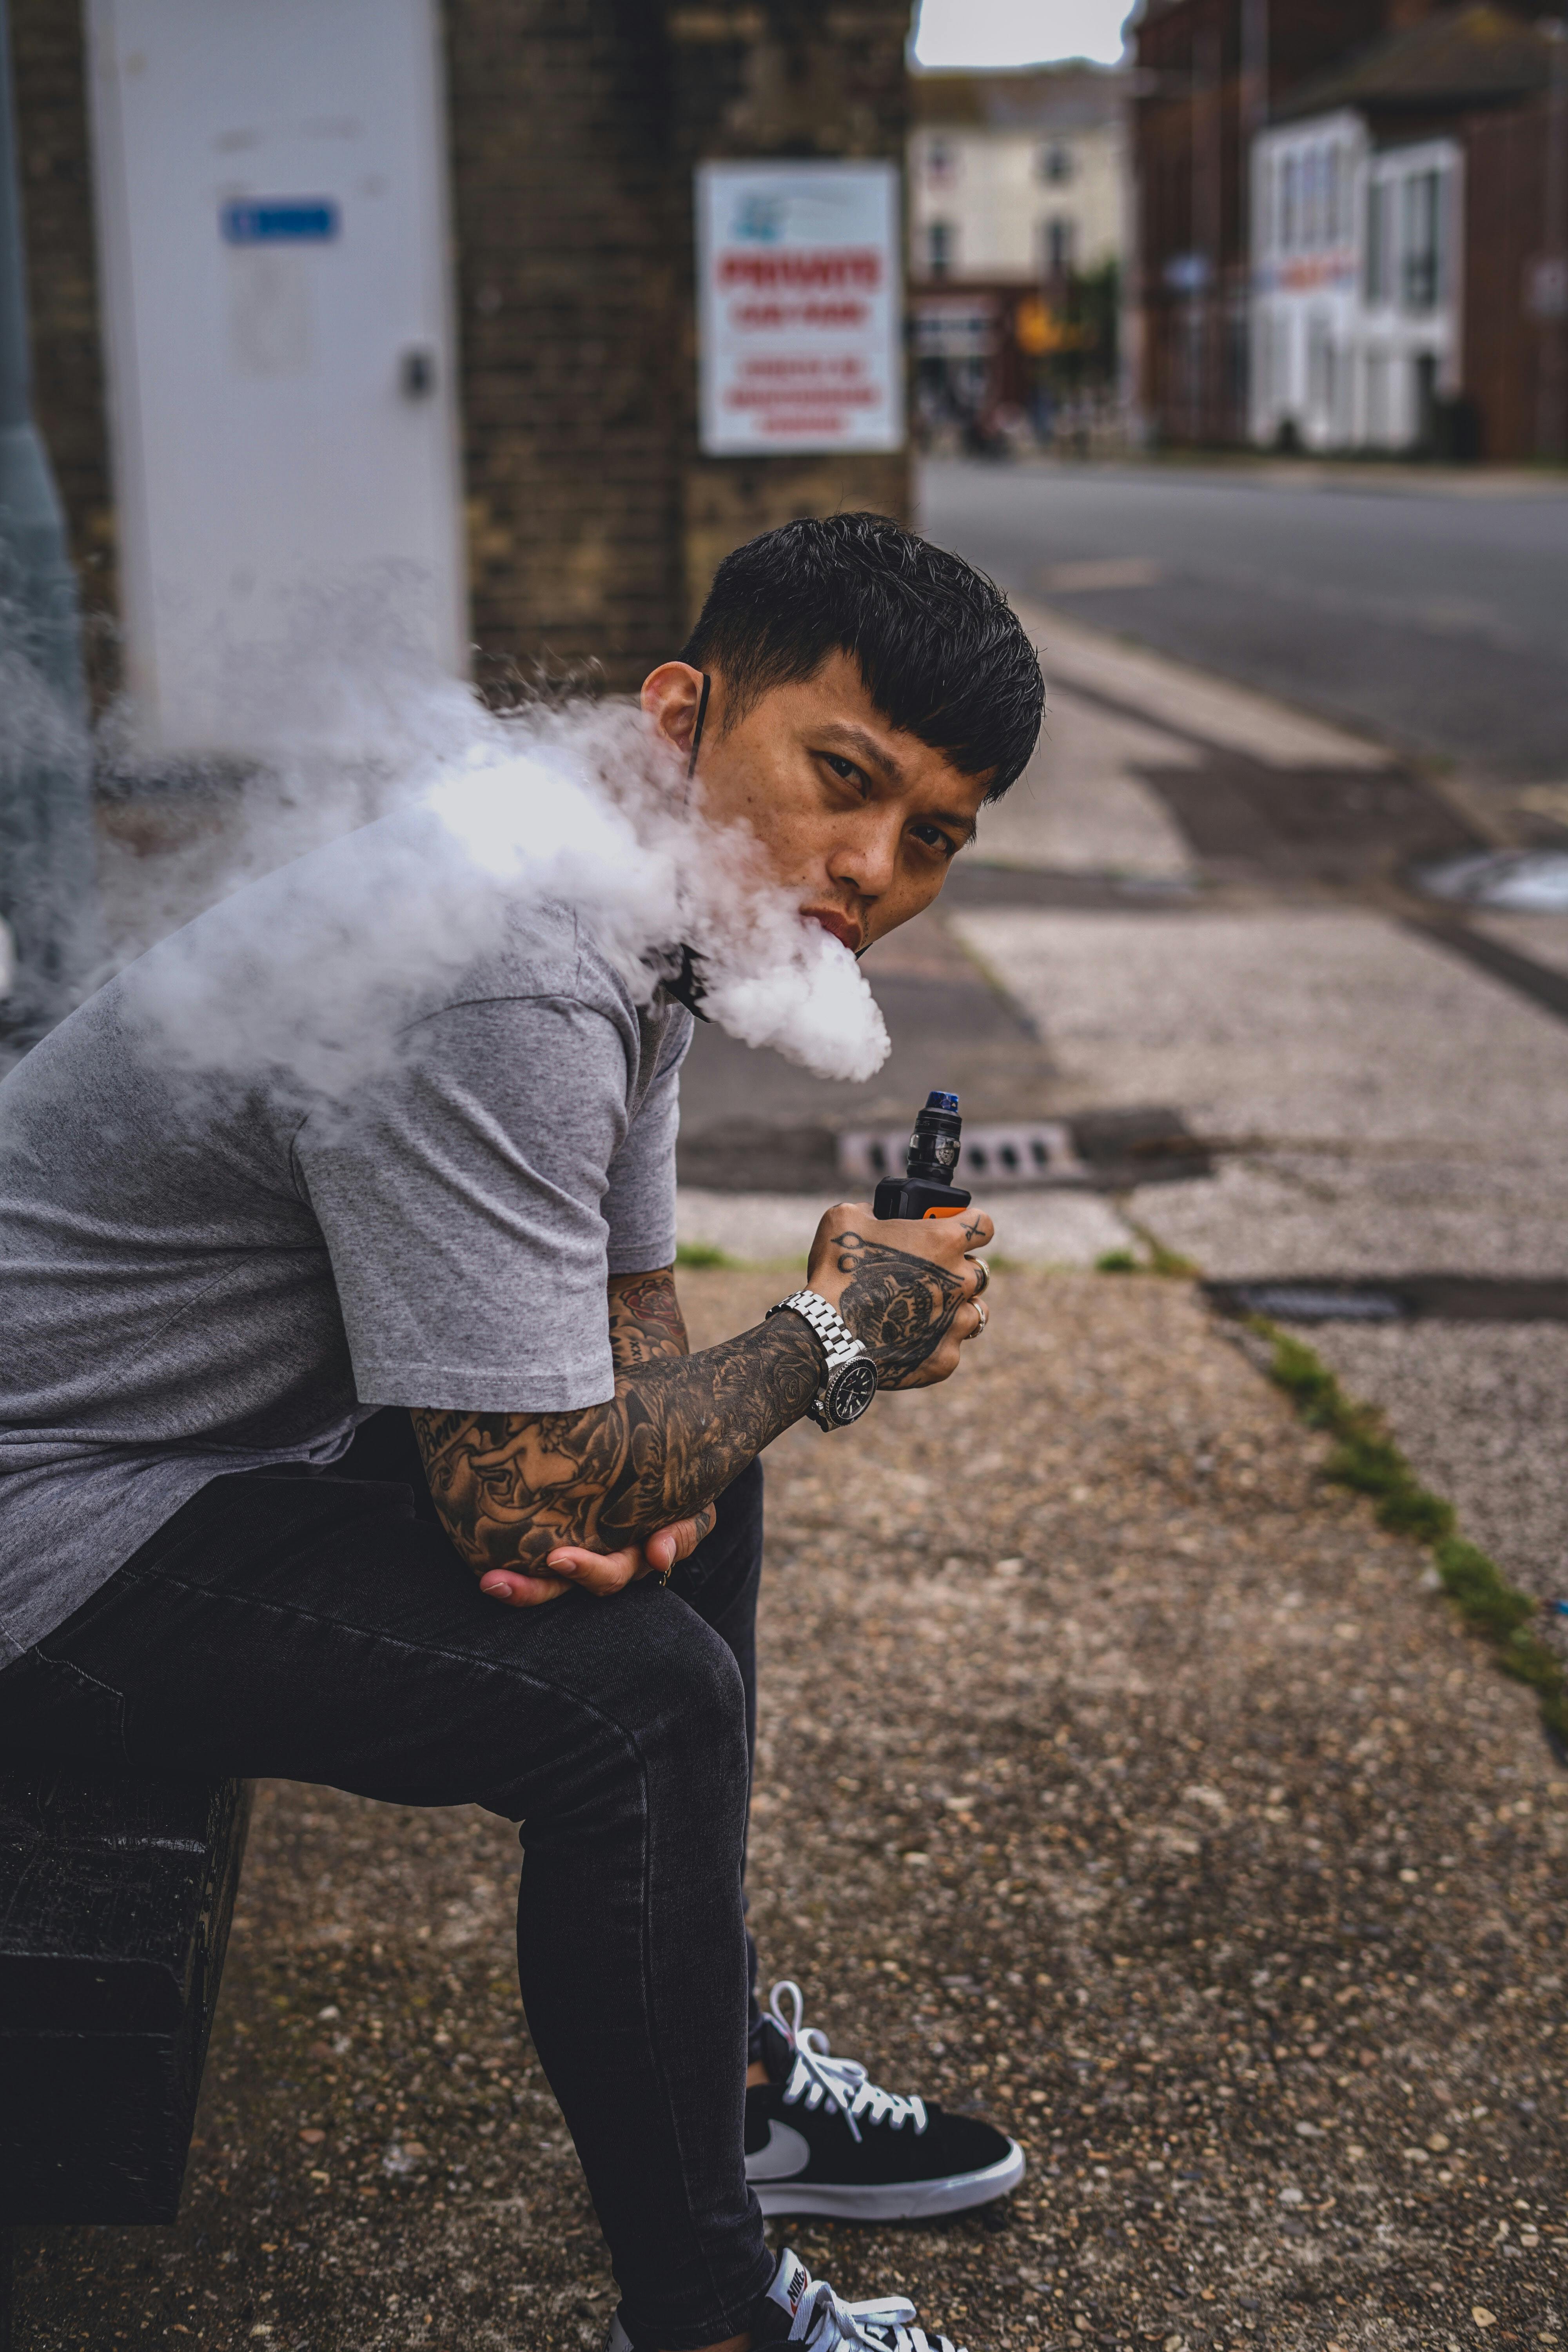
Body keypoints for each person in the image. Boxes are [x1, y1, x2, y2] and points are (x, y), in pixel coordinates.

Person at [0, 514, 1044, 2352]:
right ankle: (711, 2315)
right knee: (642, 1709)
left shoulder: (636, 916)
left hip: (181, 1453)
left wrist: (681, 1450)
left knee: (703, 1507)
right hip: (50, 1516)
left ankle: (719, 2081)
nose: (871, 872)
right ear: (678, 717)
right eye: (842, 779)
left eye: (932, 838)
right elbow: (519, 1496)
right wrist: (835, 1335)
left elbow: (622, 1341)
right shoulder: (513, 958)